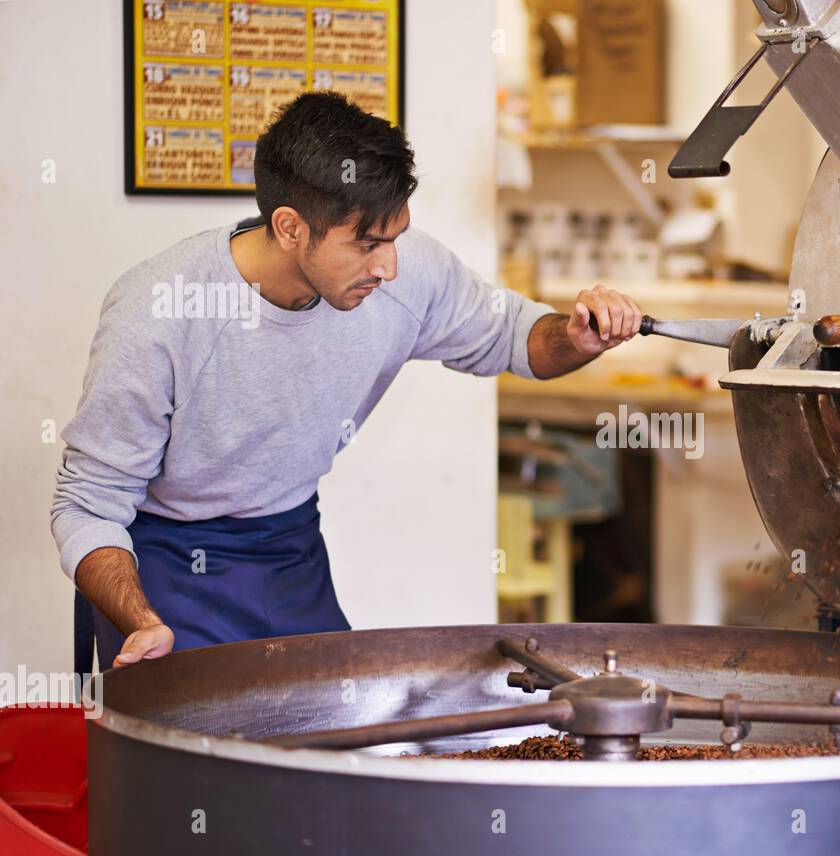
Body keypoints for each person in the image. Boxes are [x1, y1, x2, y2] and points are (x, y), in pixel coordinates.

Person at [51, 92, 644, 669]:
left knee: (330, 741)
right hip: (165, 559)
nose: (387, 267)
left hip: (290, 546)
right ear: (288, 227)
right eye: (366, 244)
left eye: (396, 239)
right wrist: (141, 619)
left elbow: (514, 336)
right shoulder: (160, 313)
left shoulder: (404, 274)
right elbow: (88, 505)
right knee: (199, 761)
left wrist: (578, 336)